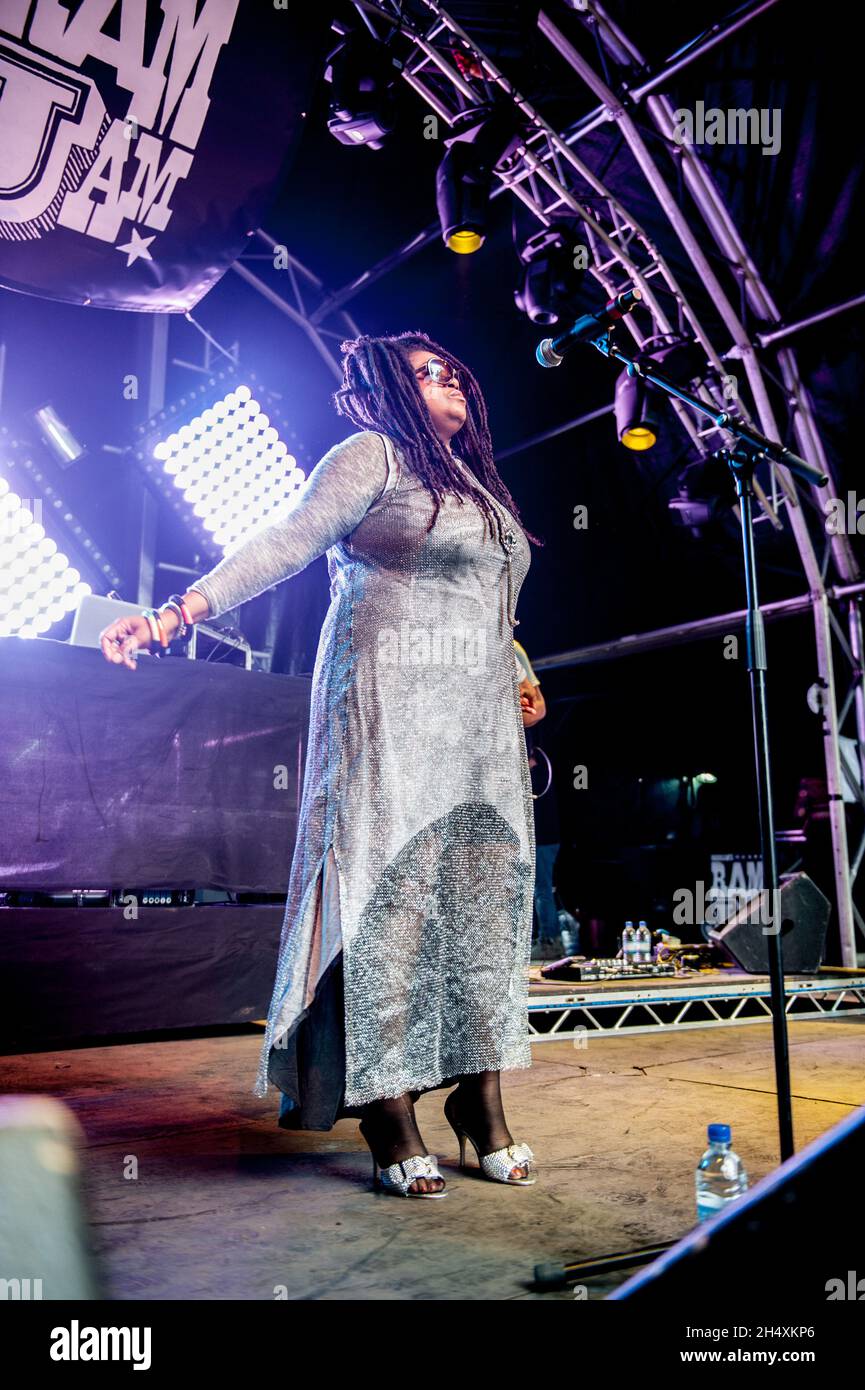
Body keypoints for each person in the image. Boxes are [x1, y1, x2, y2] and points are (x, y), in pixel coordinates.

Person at [99, 331, 540, 1198]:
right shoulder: (372, 454)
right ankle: (386, 1102)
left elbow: (497, 603)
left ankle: (480, 1095)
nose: (447, 378)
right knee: (389, 896)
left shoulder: (480, 485)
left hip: (478, 718)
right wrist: (174, 614)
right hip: (388, 700)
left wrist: (520, 673)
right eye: (423, 372)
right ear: (387, 391)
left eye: (451, 367)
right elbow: (286, 539)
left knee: (483, 895)